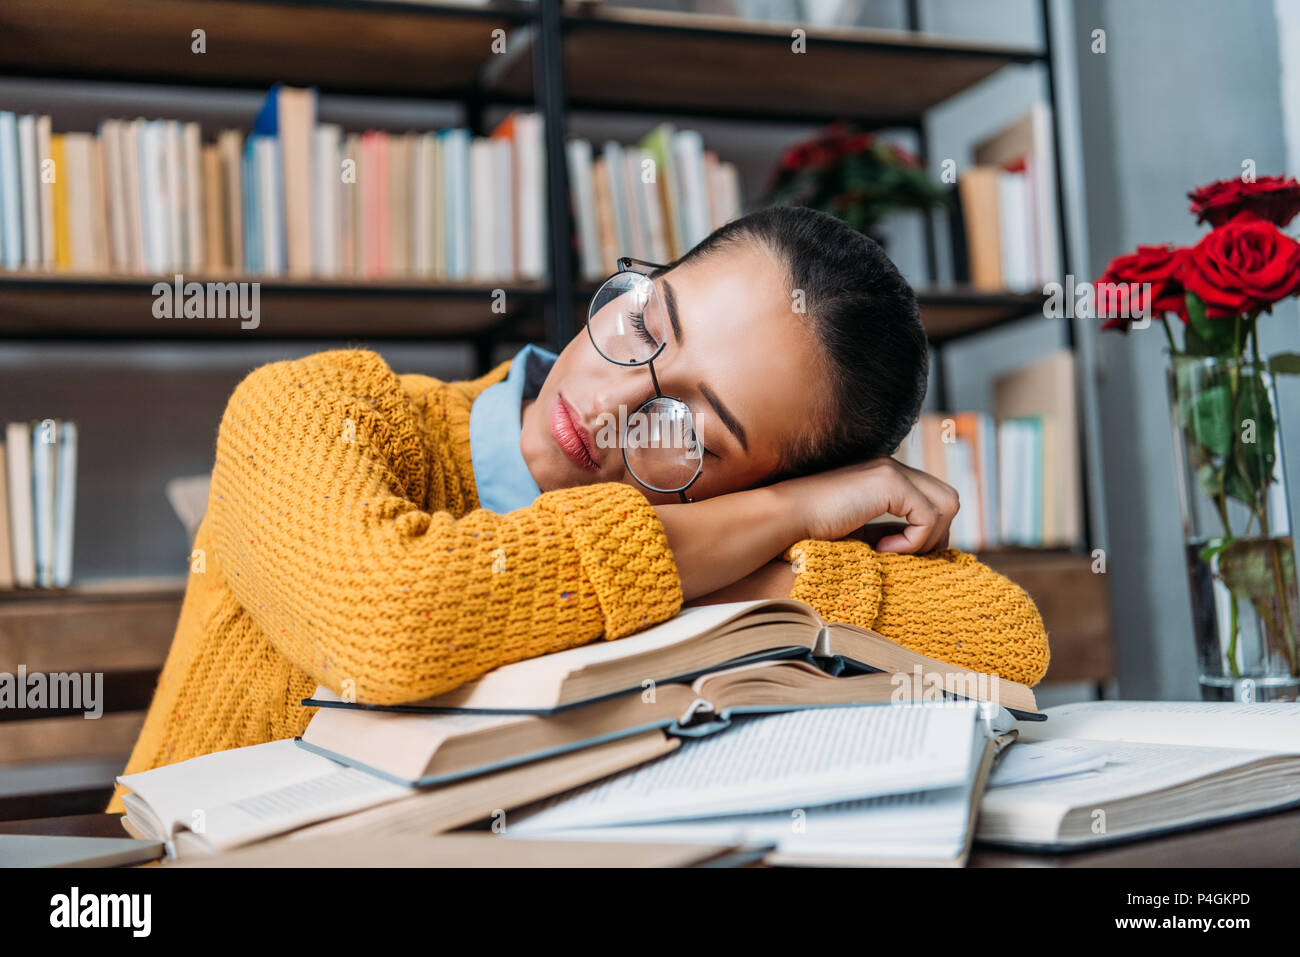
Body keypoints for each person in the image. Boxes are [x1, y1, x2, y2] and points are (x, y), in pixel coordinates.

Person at [106, 205, 1048, 814]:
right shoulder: (322, 406)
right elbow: (390, 621)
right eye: (646, 322)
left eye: (693, 428)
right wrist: (789, 516)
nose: (613, 402)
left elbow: (1007, 636)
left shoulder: (733, 521)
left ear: (749, 486)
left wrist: (761, 541)